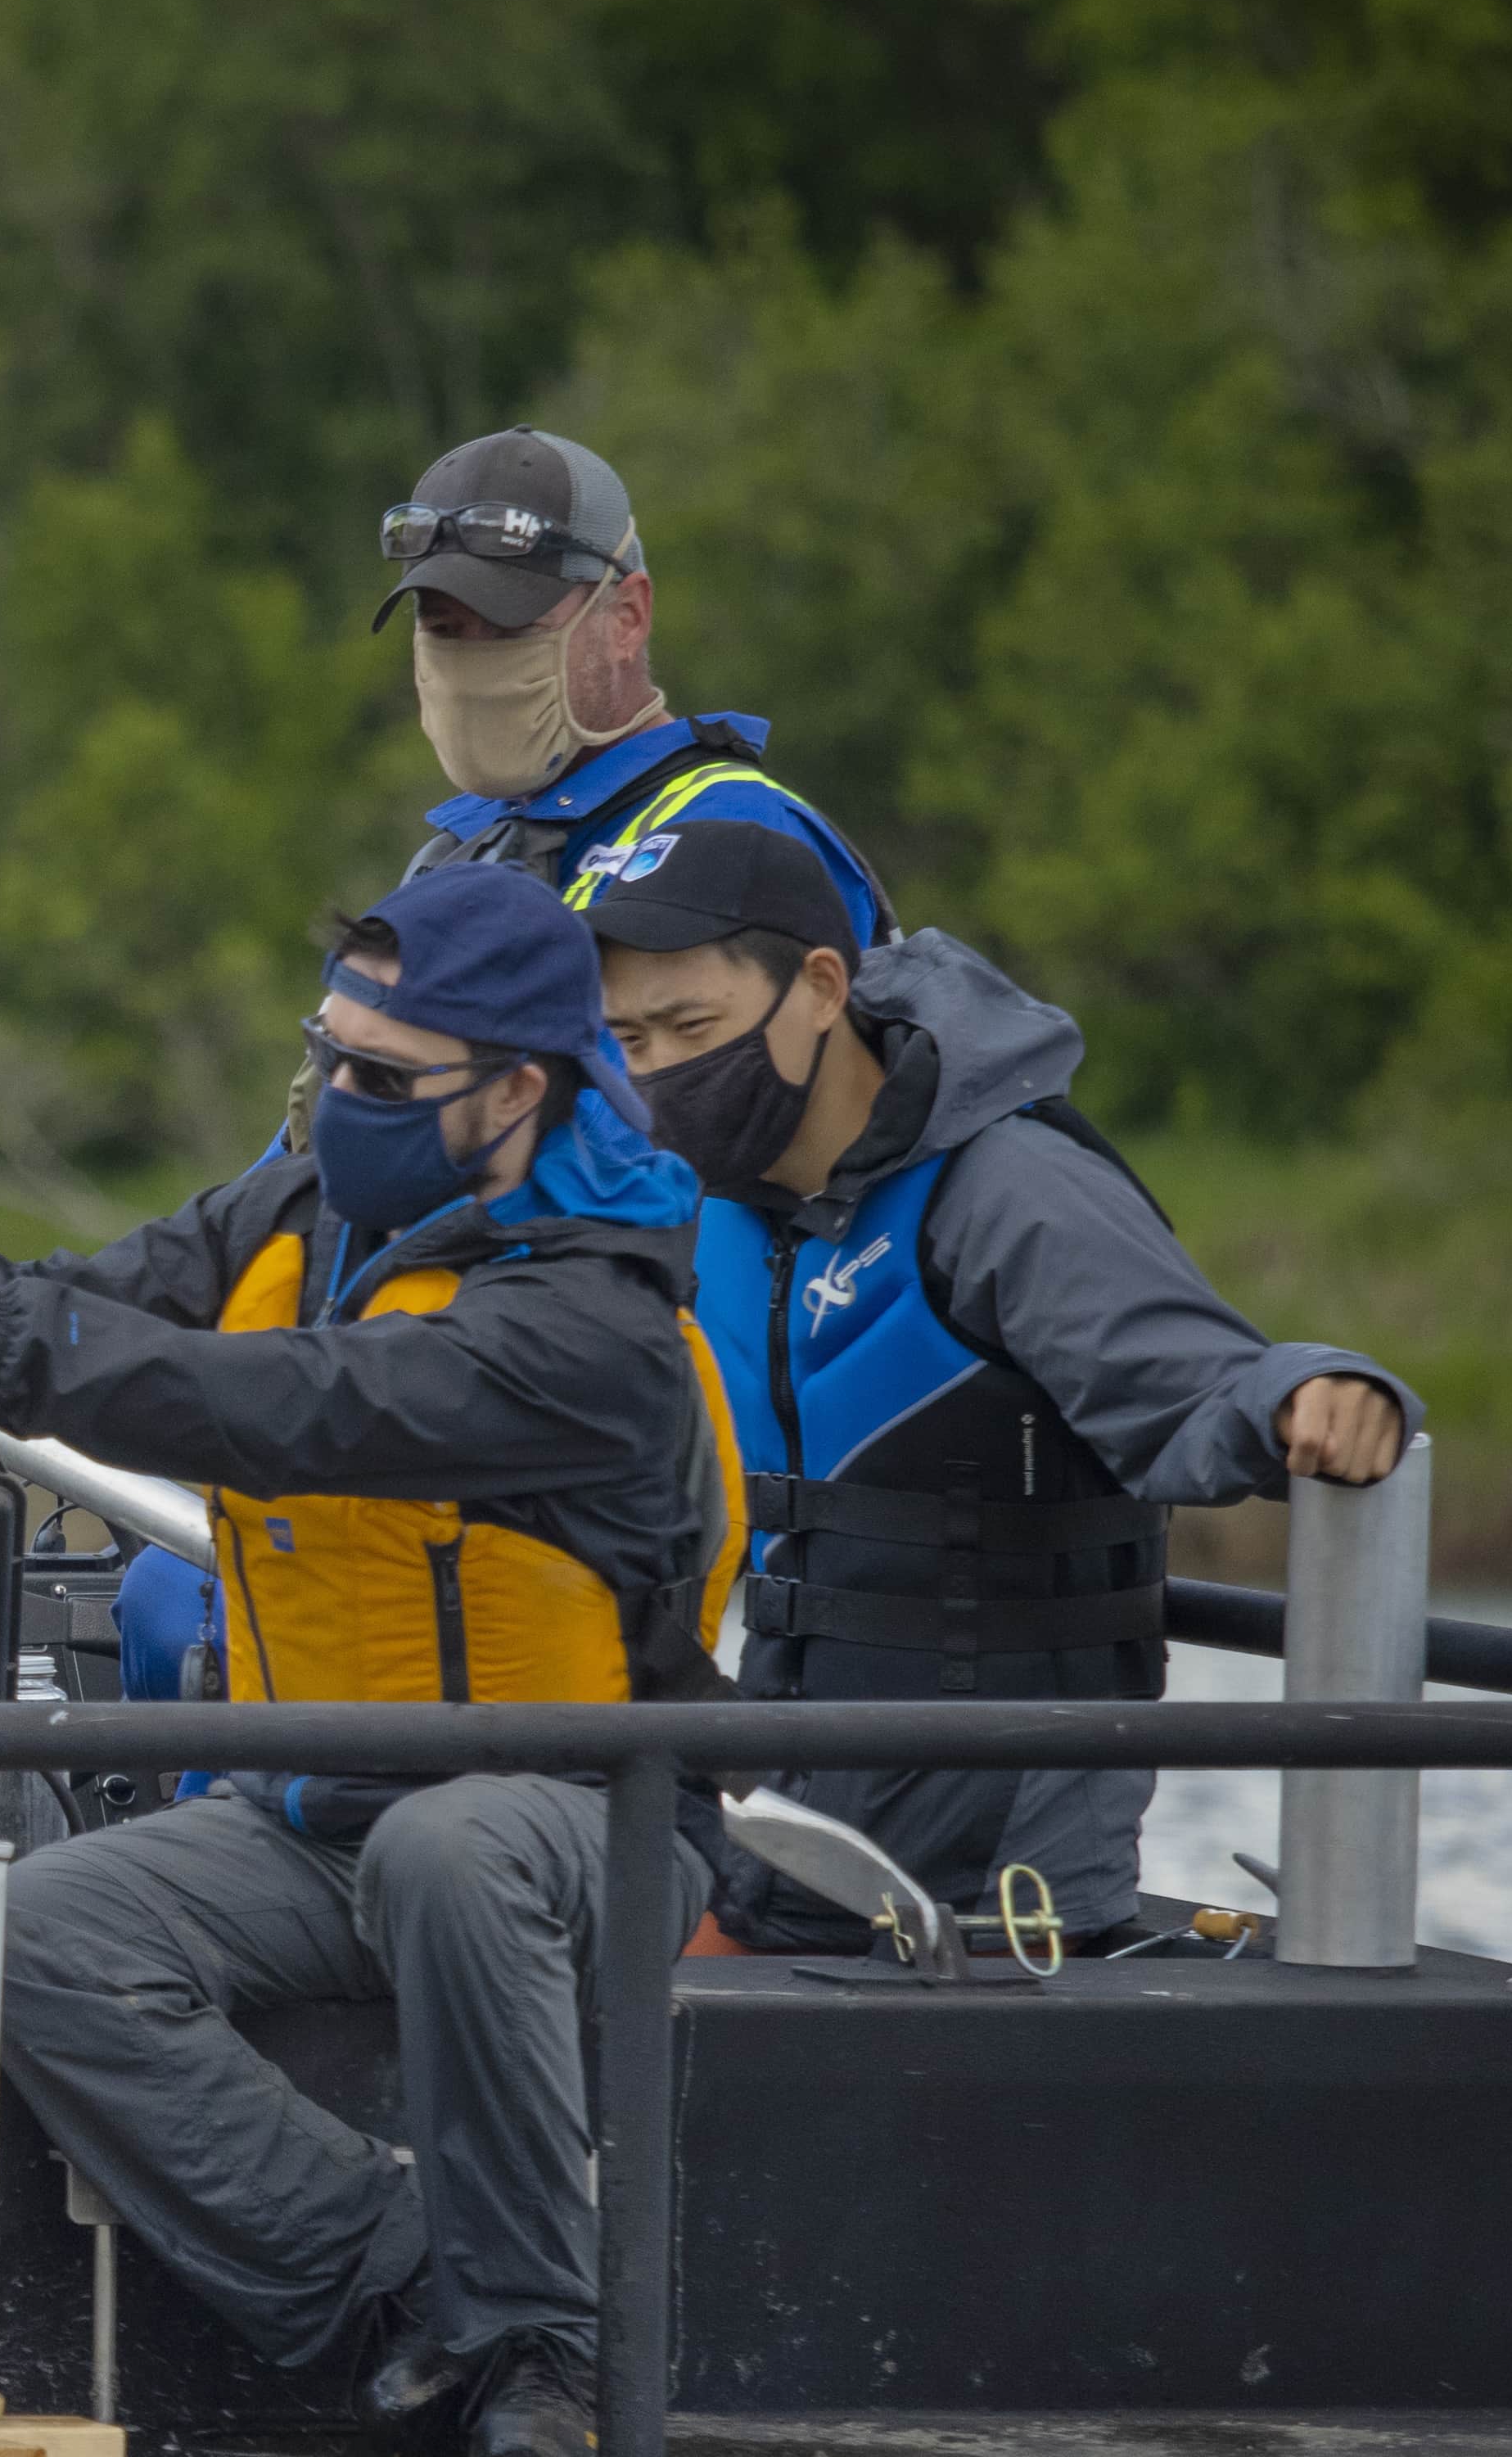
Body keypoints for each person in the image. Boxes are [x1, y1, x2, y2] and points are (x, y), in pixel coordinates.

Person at [0, 862, 742, 2457]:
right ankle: (402, 2269)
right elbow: (75, 1305)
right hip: (318, 1816)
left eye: (379, 1077)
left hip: (587, 1828)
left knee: (457, 1848)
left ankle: (544, 2344)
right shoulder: (294, 1211)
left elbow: (300, 1402)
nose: (333, 1100)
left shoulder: (594, 1322)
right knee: (45, 1924)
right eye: (325, 1052)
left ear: (515, 1091)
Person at [581, 818, 1416, 1949]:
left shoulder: (1009, 1189)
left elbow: (1204, 1386)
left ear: (821, 988)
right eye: (624, 1039)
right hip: (782, 1847)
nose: (657, 1072)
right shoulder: (693, 1205)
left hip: (1006, 1904)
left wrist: (1321, 1389)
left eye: (691, 1027)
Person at [382, 427, 891, 947]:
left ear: (627, 618)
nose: (474, 665)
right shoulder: (453, 855)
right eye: (444, 630)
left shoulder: (740, 837)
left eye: (512, 626)